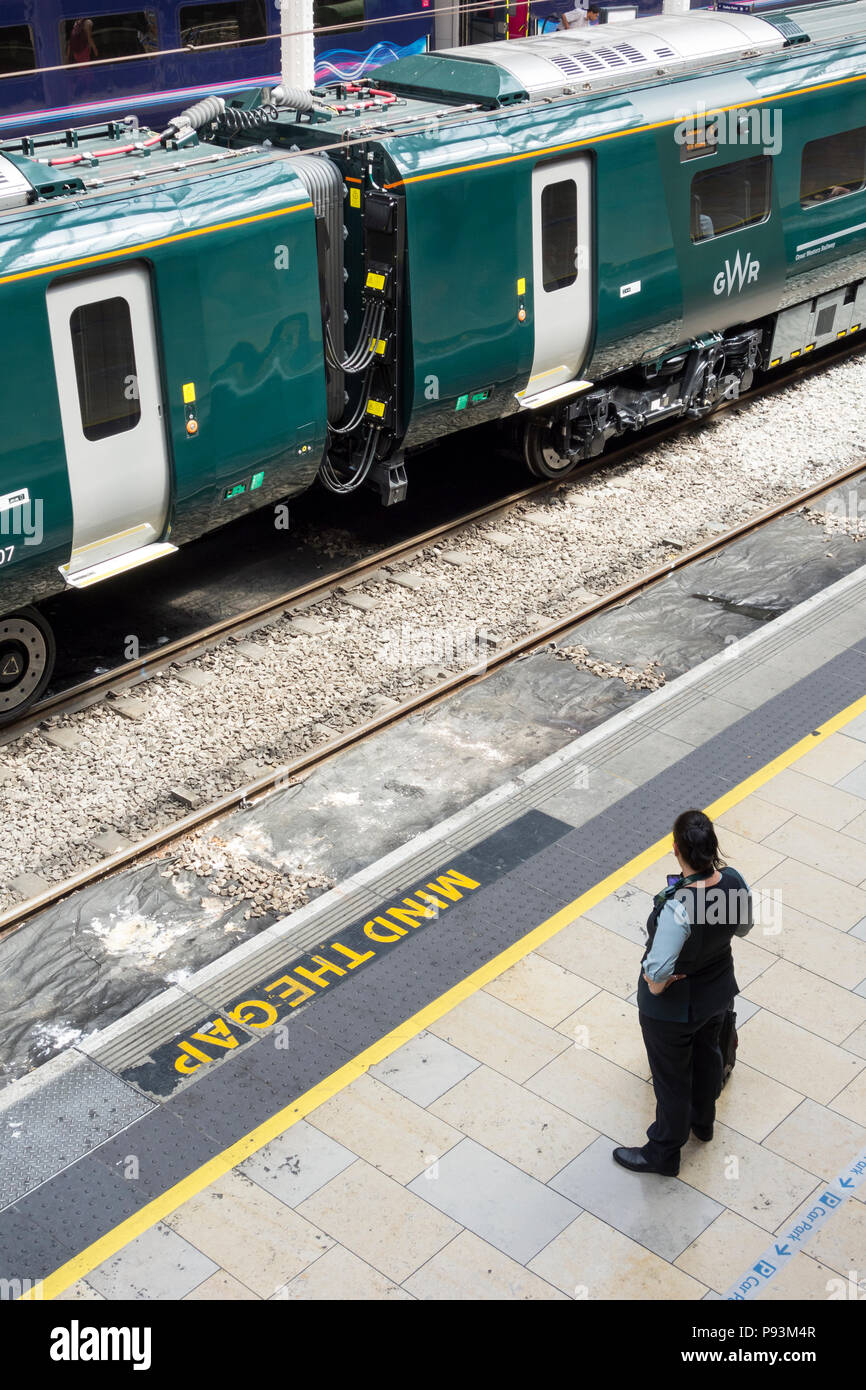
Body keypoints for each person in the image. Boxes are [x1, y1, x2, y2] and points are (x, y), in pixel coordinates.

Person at [613, 809, 752, 1177]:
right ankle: (703, 1123)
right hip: (718, 992)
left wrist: (655, 985)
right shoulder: (734, 881)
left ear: (675, 849)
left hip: (673, 1012)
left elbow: (658, 970)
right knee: (708, 1056)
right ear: (713, 846)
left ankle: (664, 1153)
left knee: (672, 1080)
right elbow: (744, 928)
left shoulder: (678, 906)